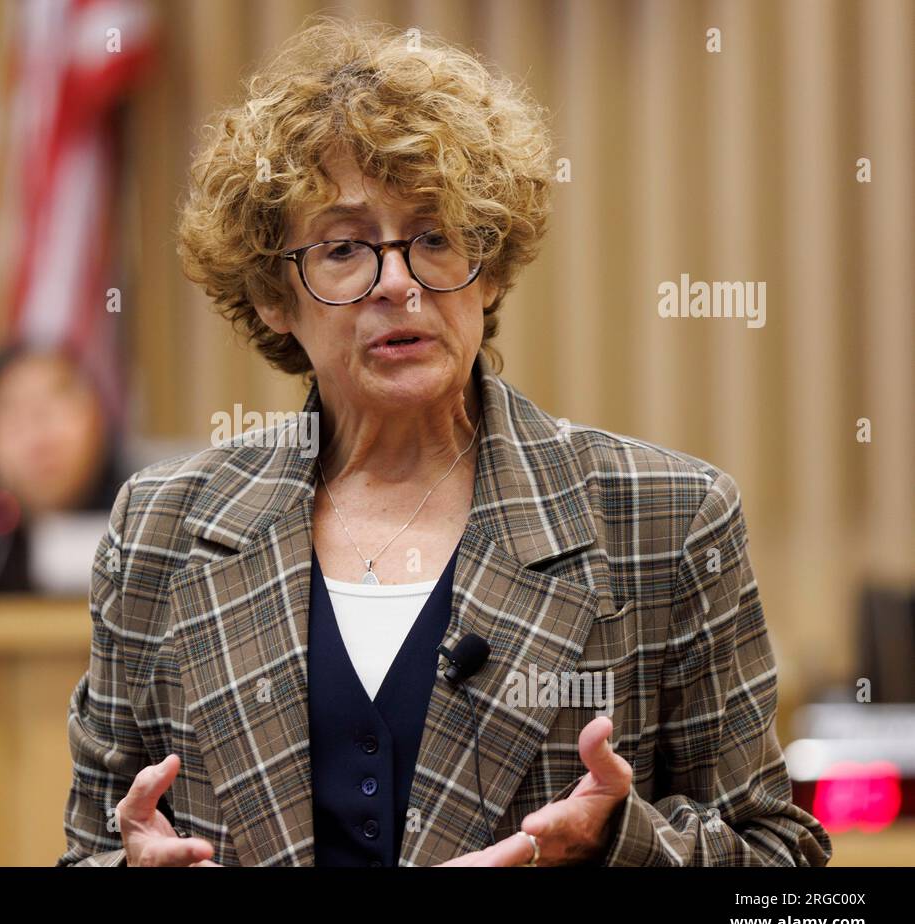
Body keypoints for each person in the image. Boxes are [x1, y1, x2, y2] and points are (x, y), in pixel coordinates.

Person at [59, 16, 832, 866]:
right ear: (274, 294)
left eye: (434, 236)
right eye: (346, 247)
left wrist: (621, 844)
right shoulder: (161, 530)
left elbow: (790, 882)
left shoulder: (664, 520)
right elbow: (89, 848)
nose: (400, 282)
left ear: (491, 265)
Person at [0, 344, 125, 594]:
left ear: (99, 424)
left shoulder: (154, 533)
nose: (40, 427)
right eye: (11, 408)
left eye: (60, 396)